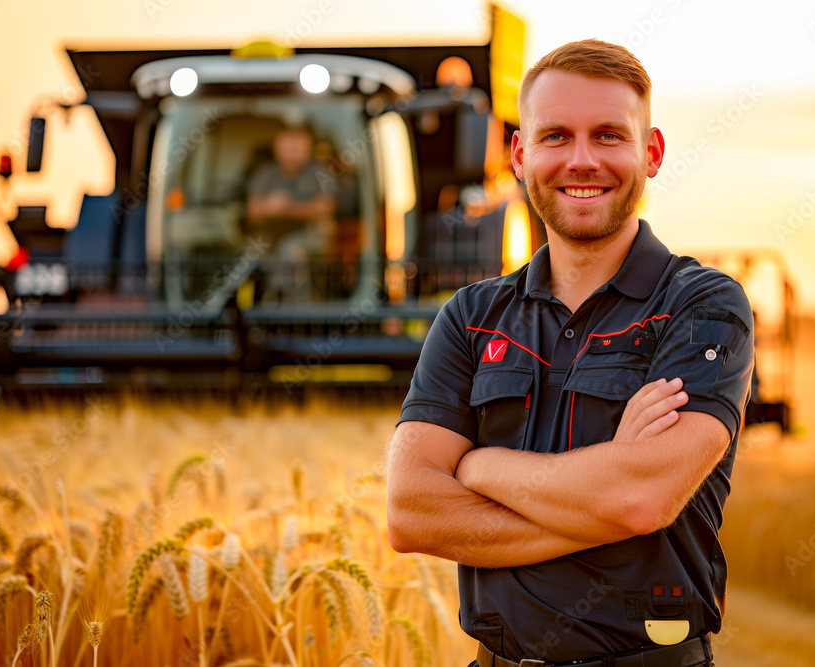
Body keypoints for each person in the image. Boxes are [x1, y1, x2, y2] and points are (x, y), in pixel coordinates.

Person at [386, 39, 755, 667]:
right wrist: (606, 485)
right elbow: (411, 513)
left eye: (609, 136)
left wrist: (478, 467)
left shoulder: (704, 308)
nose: (582, 161)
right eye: (556, 137)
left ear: (652, 152)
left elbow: (643, 498)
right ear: (520, 155)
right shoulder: (471, 317)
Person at [245, 125, 336, 301]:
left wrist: (288, 207)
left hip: (309, 235)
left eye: (298, 145)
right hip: (270, 236)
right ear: (277, 148)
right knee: (249, 256)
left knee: (290, 252)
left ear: (308, 147)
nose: (293, 151)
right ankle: (253, 305)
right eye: (288, 145)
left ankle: (290, 305)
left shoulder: (318, 172)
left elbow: (325, 208)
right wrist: (269, 206)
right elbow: (252, 210)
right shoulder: (266, 174)